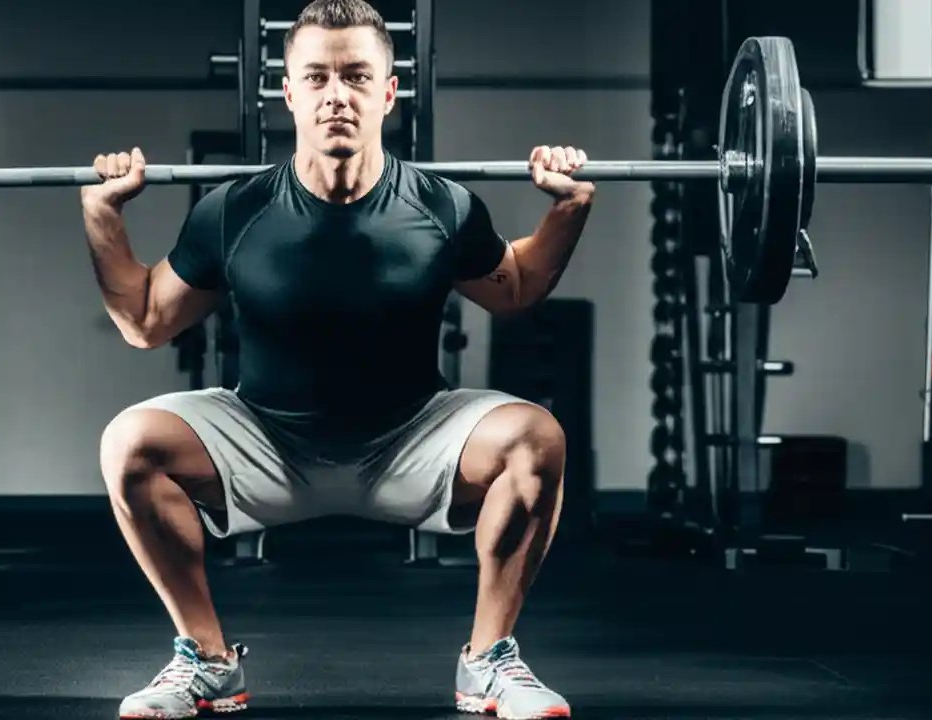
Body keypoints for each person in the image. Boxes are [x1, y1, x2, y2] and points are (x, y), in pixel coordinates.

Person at [80, 1, 593, 717]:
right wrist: (104, 218)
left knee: (537, 438)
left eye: (356, 76)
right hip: (266, 442)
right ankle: (205, 659)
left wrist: (566, 211)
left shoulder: (442, 206)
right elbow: (143, 320)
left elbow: (514, 290)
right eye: (316, 76)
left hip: (411, 440)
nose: (336, 95)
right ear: (288, 93)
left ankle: (490, 663)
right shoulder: (233, 209)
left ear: (388, 91)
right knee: (128, 442)